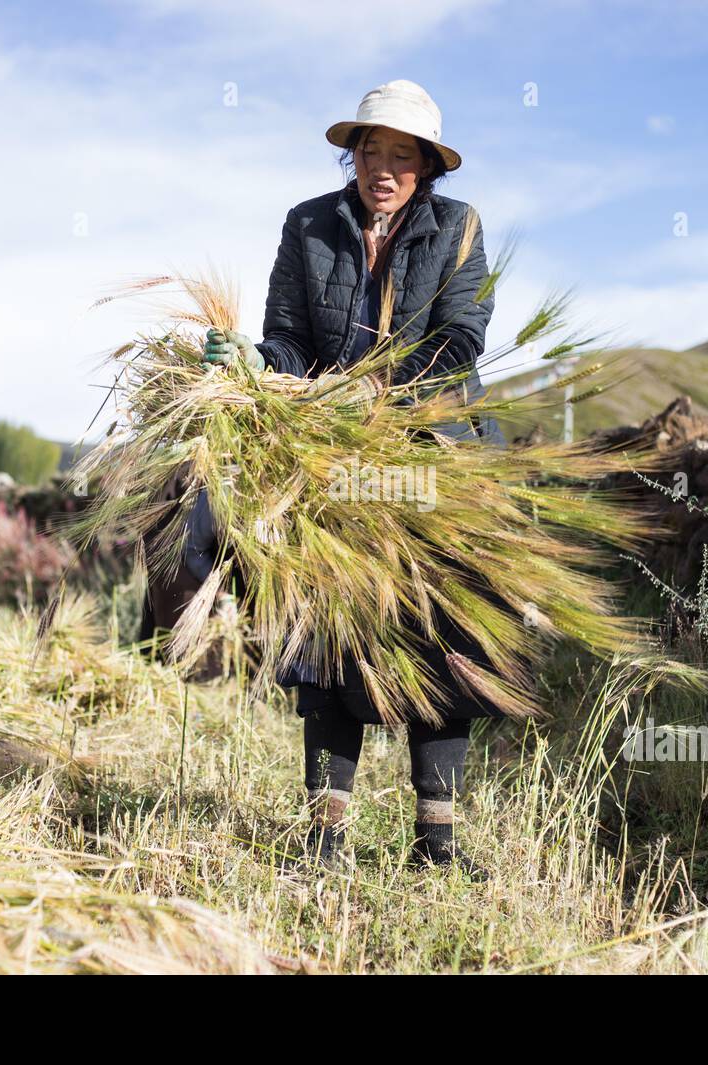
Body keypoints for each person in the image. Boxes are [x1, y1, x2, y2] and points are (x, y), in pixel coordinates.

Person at [197, 80, 504, 878]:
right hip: (326, 450)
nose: (386, 167)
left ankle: (435, 845)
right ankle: (324, 839)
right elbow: (290, 338)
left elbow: (461, 340)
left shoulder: (459, 227)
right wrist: (259, 365)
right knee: (329, 636)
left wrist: (376, 387)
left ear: (428, 166)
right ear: (354, 152)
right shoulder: (308, 225)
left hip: (429, 446)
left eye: (405, 155)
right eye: (374, 149)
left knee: (441, 637)